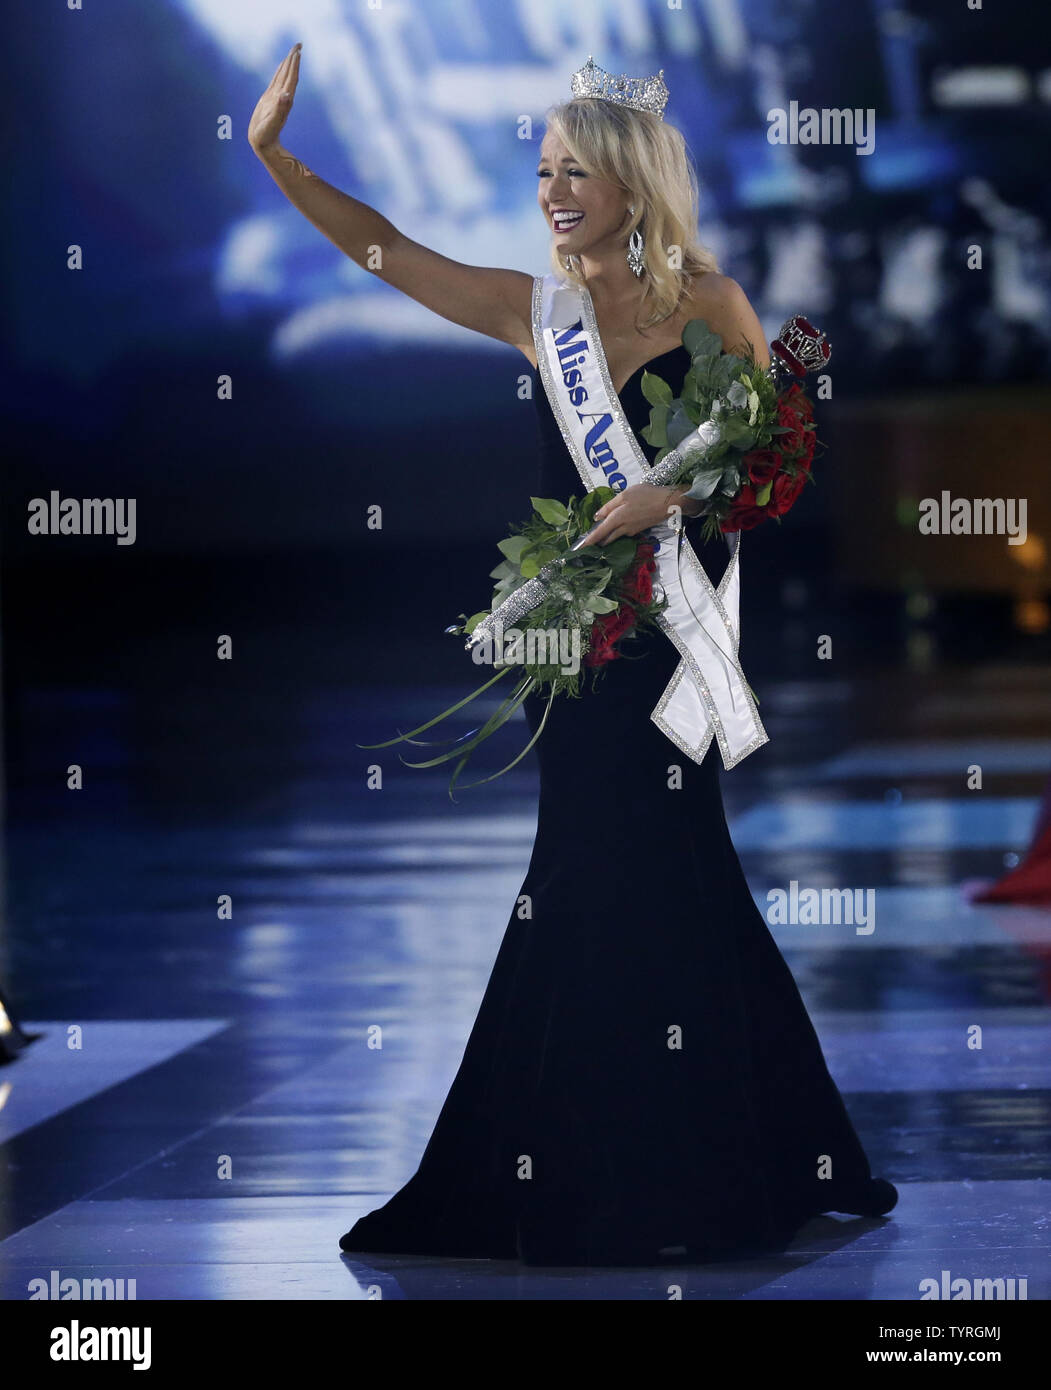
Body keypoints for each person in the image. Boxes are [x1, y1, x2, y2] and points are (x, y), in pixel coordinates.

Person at [249, 47, 897, 1265]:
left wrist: (673, 498)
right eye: (542, 170)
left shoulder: (711, 305)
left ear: (631, 180)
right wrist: (275, 158)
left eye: (576, 171)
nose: (552, 190)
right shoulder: (532, 310)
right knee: (584, 874)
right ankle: (591, 1165)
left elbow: (763, 465)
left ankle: (729, 1162)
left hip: (677, 638)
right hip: (584, 646)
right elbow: (386, 250)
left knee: (683, 870)